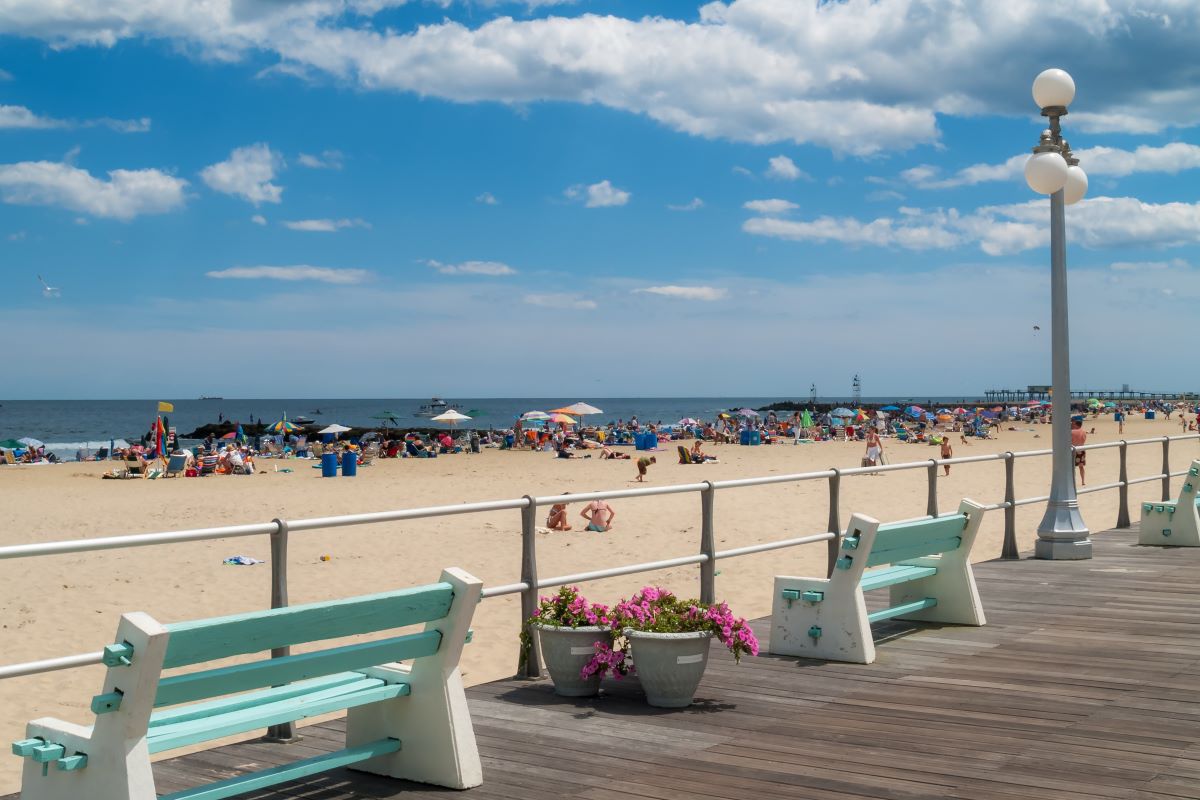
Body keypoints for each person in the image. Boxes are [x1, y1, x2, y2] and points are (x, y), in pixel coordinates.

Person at [1071, 418, 1087, 485]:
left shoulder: (1072, 432)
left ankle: (1073, 482)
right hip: (1082, 450)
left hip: (1074, 450)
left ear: (1076, 425)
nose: (1072, 425)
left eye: (1073, 424)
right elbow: (1084, 439)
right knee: (1081, 467)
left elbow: (1070, 441)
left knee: (1072, 467)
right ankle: (1083, 481)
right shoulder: (1084, 431)